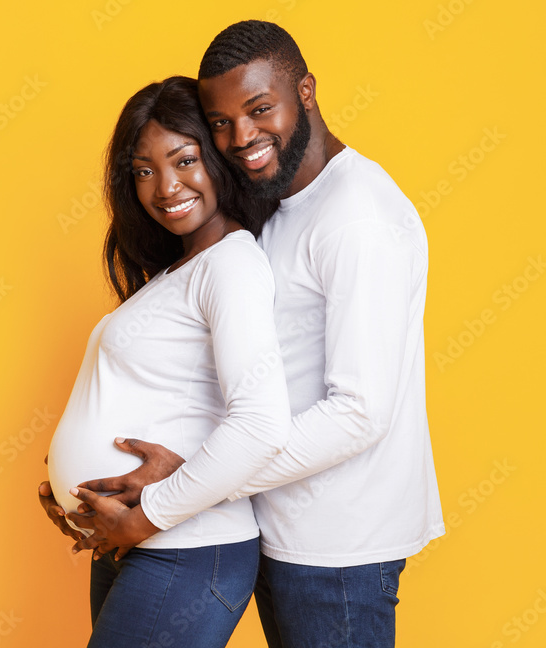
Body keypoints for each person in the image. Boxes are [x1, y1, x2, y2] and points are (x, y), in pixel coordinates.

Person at [47, 20, 445, 648]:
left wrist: (182, 488)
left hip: (339, 544)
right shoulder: (274, 205)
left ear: (306, 92)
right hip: (275, 525)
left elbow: (360, 411)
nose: (241, 138)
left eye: (260, 110)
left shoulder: (358, 216)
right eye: (221, 123)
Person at [42, 75, 291, 647]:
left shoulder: (229, 265)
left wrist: (145, 515)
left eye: (184, 160)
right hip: (136, 543)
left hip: (186, 550)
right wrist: (70, 484)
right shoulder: (177, 272)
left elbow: (261, 423)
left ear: (219, 159)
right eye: (144, 171)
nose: (166, 186)